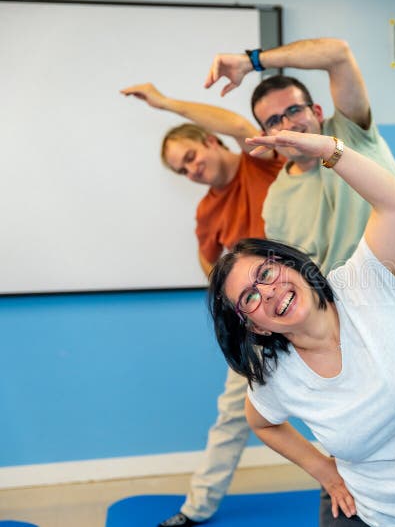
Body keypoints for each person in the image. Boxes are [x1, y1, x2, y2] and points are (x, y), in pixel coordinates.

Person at [209, 129, 395, 526]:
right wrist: (324, 471)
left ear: (289, 264)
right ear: (254, 326)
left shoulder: (363, 283)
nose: (269, 291)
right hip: (380, 516)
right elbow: (261, 422)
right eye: (250, 297)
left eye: (266, 272)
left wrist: (328, 150)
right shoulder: (275, 375)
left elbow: (393, 202)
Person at [204, 38, 395, 385]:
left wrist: (252, 61)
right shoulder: (277, 201)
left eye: (294, 110)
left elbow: (337, 53)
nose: (288, 123)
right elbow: (301, 274)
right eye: (275, 120)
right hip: (354, 326)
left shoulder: (349, 135)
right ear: (267, 134)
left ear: (317, 112)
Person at [120, 83, 285, 527]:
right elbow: (208, 262)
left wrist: (165, 103)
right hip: (258, 326)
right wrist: (234, 301)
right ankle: (196, 508)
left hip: (305, 309)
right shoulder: (207, 212)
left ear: (210, 140)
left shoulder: (261, 162)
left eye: (191, 157)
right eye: (182, 170)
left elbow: (238, 125)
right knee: (232, 415)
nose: (191, 171)